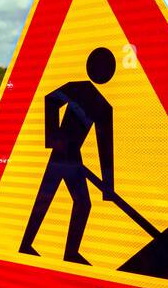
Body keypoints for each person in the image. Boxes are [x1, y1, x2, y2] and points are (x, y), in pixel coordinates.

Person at [19, 47, 116, 264]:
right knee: (48, 199)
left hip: (73, 158)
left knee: (76, 202)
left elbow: (105, 147)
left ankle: (66, 252)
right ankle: (29, 245)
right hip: (61, 156)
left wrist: (109, 186)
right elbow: (50, 100)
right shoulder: (79, 89)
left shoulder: (103, 106)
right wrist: (53, 138)